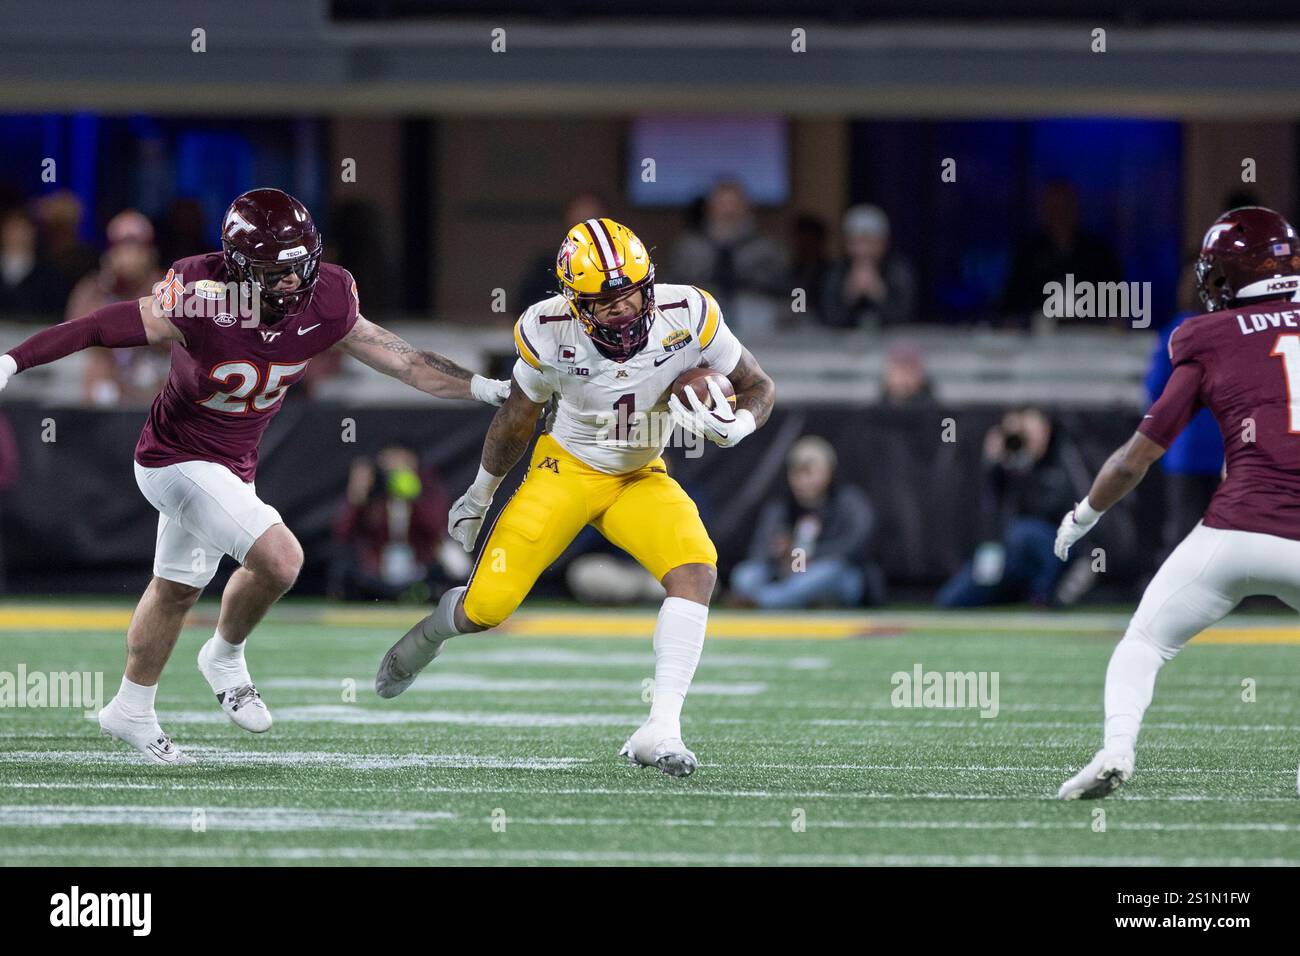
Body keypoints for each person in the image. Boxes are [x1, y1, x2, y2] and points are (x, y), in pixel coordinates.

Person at [0, 187, 510, 765]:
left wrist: (481, 388)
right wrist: (12, 361)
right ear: (240, 268)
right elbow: (96, 326)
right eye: (276, 272)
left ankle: (129, 709)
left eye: (300, 267)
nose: (294, 284)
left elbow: (405, 361)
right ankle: (224, 653)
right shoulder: (201, 298)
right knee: (281, 558)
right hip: (174, 458)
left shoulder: (330, 297)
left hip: (233, 466)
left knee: (174, 591)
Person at [375, 217, 776, 777]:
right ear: (573, 301)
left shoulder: (691, 313)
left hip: (639, 474)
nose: (623, 310)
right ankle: (431, 632)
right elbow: (518, 418)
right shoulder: (547, 328)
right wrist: (481, 490)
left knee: (696, 569)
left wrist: (740, 426)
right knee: (486, 609)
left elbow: (760, 387)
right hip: (565, 469)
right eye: (605, 302)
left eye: (631, 294)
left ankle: (660, 727)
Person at [1055, 206, 1300, 800]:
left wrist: (1083, 514)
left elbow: (1133, 459)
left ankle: (1116, 751)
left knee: (1143, 643)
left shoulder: (1207, 336)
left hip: (1235, 531)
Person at [937, 407, 1089, 608]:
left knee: (1024, 532)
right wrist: (994, 463)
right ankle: (1018, 592)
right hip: (1011, 552)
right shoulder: (1010, 465)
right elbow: (988, 504)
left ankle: (1044, 596)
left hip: (1057, 548)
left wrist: (1029, 466)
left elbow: (1055, 506)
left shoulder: (1061, 458)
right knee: (951, 599)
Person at [730, 435, 880, 609]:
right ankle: (799, 600)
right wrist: (779, 553)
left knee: (825, 572)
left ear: (828, 473)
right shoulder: (780, 508)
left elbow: (856, 547)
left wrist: (811, 556)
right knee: (745, 576)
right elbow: (758, 553)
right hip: (787, 574)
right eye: (796, 473)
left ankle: (764, 601)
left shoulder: (849, 503)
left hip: (834, 575)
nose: (802, 481)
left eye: (809, 473)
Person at [65, 210, 170, 406]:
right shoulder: (94, 288)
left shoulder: (167, 285)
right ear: (110, 253)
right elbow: (75, 337)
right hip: (109, 379)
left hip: (154, 378)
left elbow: (178, 339)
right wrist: (108, 287)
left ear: (150, 253)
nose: (128, 255)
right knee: (96, 370)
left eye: (136, 248)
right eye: (121, 247)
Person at [329, 446, 455, 603]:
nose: (396, 468)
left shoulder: (428, 491)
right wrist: (356, 498)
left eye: (403, 461)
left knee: (452, 562)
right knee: (346, 569)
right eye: (391, 461)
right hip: (376, 574)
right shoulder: (372, 501)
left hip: (419, 571)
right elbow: (342, 534)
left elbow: (437, 530)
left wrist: (414, 497)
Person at [668, 180, 788, 334]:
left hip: (755, 317)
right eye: (722, 203)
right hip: (701, 319)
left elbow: (782, 288)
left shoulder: (766, 248)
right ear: (709, 208)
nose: (728, 210)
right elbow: (673, 288)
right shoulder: (689, 247)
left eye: (734, 203)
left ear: (746, 207)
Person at [1000, 181, 1123, 330]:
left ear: (1076, 209)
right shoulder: (1028, 254)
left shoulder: (1099, 253)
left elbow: (1117, 303)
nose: (1060, 214)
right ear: (1043, 211)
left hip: (1091, 337)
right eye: (1053, 208)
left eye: (1065, 207)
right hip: (1036, 339)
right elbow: (1010, 303)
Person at [821, 205, 917, 329]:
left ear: (884, 243)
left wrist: (879, 293)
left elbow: (905, 319)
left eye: (870, 242)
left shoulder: (898, 271)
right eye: (856, 242)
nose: (863, 250)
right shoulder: (837, 271)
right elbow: (829, 318)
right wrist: (849, 295)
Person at [0, 207, 62, 318]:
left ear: (33, 233)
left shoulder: (49, 275)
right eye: (12, 229)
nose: (17, 236)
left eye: (23, 230)